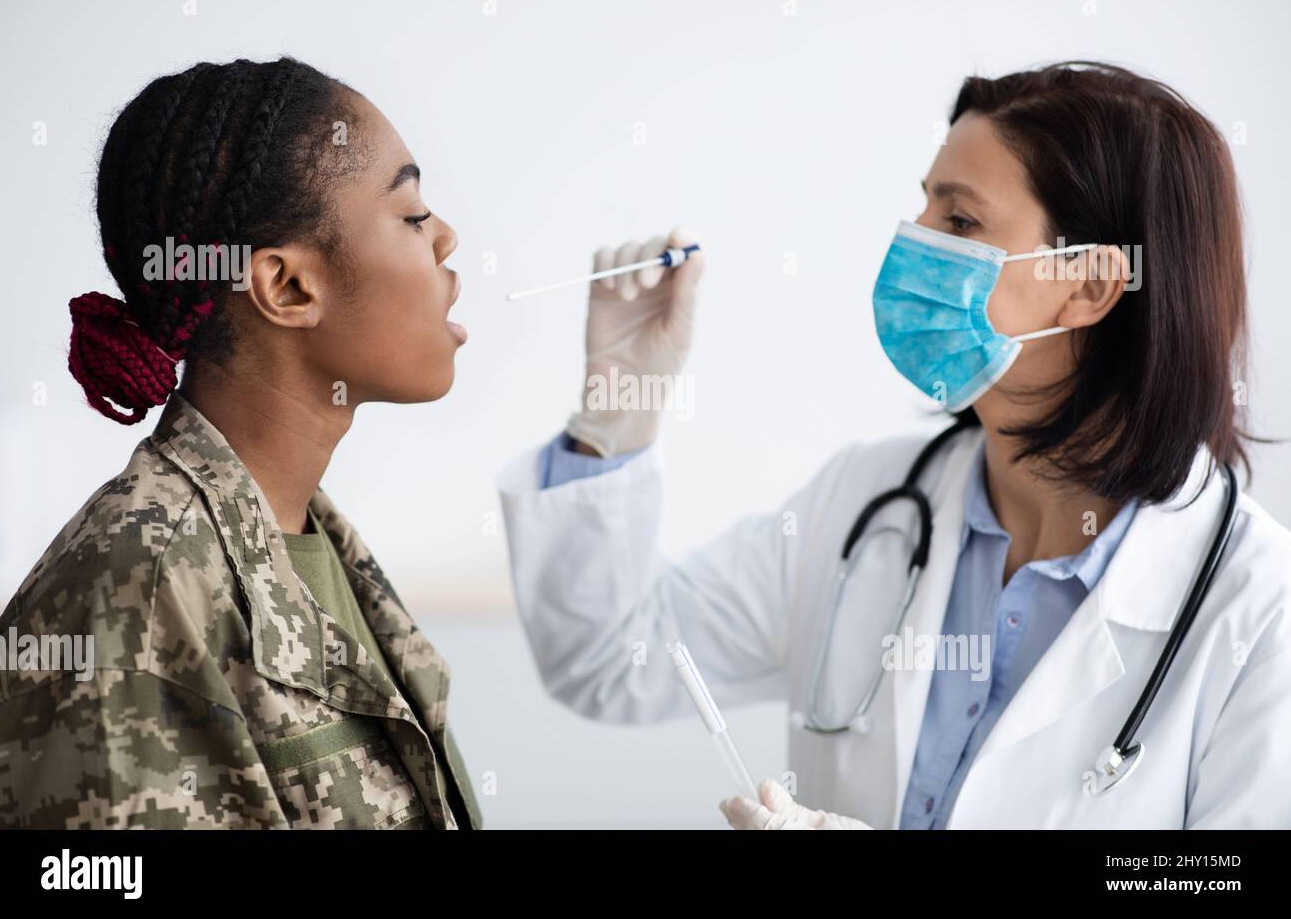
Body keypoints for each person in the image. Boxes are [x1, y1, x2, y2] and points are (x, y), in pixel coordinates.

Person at [497, 62, 1291, 829]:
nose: (913, 246)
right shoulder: (863, 504)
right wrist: (614, 413)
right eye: (922, 212)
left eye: (959, 219)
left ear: (1087, 286)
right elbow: (610, 660)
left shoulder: (1260, 613)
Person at [0, 57, 480, 829]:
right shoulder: (140, 593)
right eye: (413, 214)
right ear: (286, 288)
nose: (446, 238)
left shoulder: (309, 540)